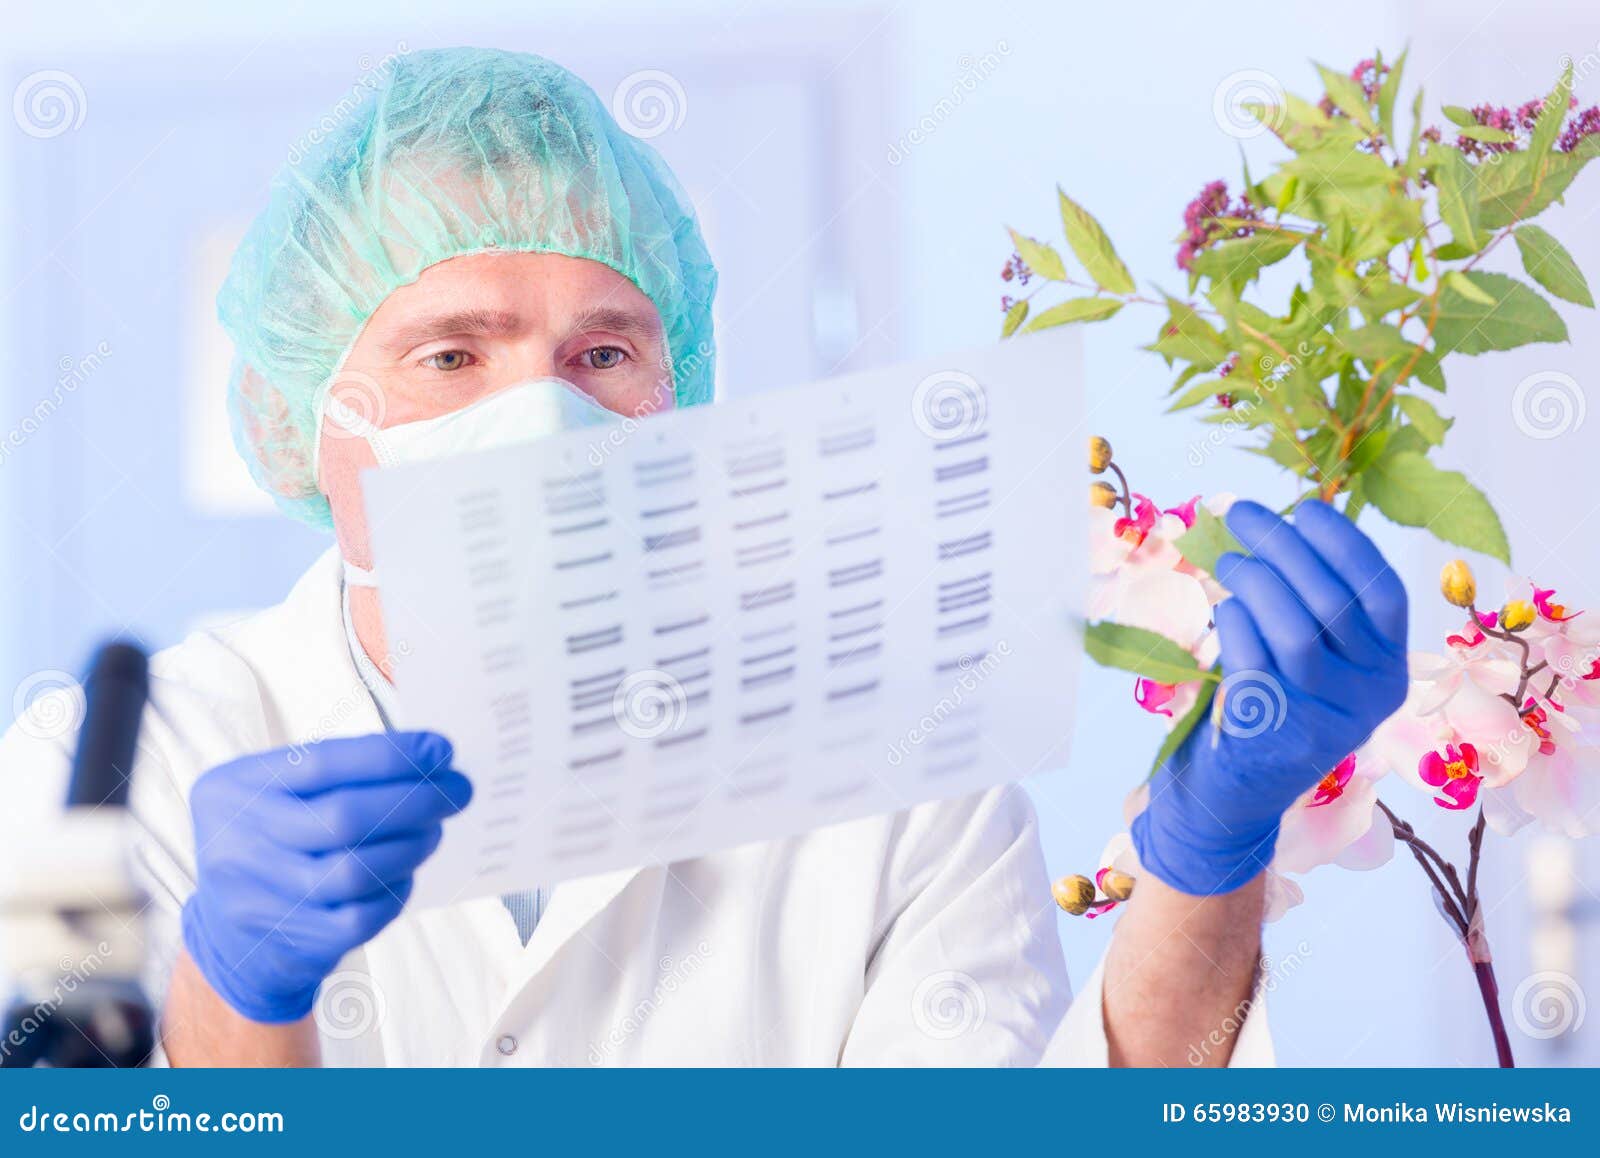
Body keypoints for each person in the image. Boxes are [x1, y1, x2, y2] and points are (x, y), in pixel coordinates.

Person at [0, 47, 1409, 1066]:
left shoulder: (903, 771)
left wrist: (1212, 850)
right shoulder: (122, 766)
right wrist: (234, 986)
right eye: (450, 353)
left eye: (603, 351)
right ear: (308, 421)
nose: (538, 413)